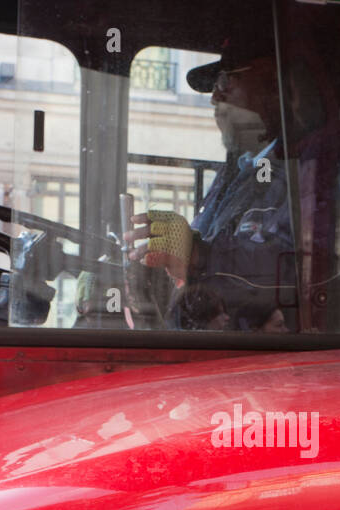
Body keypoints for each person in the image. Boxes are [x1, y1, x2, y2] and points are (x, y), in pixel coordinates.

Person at [125, 35, 295, 330]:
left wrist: (199, 254)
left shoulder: (304, 171)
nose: (215, 98)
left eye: (225, 81)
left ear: (273, 82)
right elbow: (197, 275)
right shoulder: (236, 172)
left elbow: (294, 272)